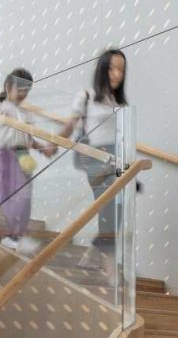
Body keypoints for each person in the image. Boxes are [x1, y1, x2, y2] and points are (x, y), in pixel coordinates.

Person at [54, 46, 131, 255]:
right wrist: (51, 142)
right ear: (103, 69)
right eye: (112, 69)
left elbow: (122, 135)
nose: (117, 74)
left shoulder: (119, 102)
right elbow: (71, 125)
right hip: (94, 155)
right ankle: (103, 256)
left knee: (117, 208)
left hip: (115, 157)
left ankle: (97, 252)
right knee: (109, 201)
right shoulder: (87, 93)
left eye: (121, 70)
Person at [0, 67, 43, 248]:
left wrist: (42, 148)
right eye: (19, 88)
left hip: (24, 154)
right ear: (8, 86)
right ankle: (12, 235)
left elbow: (28, 137)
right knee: (10, 195)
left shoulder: (25, 112)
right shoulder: (1, 107)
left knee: (25, 197)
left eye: (26, 90)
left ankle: (19, 235)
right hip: (8, 154)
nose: (23, 93)